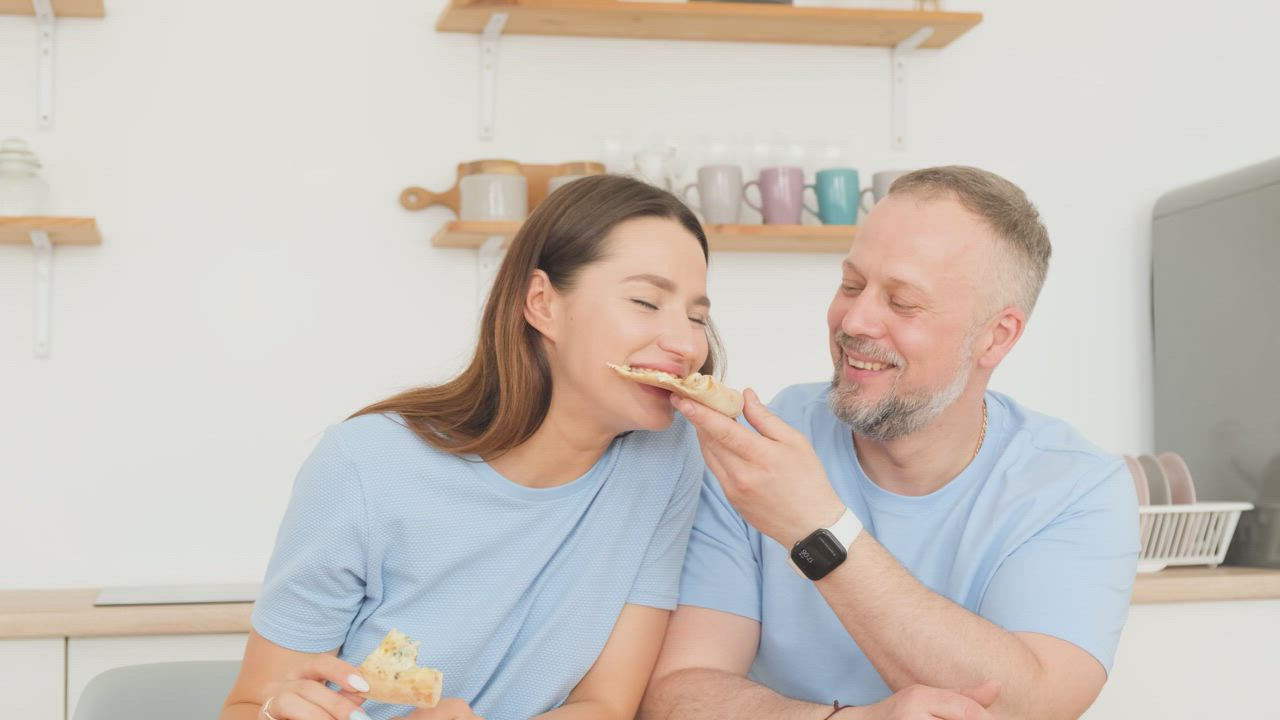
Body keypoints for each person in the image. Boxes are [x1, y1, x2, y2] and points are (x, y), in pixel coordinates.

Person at [641, 166, 1140, 720]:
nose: (855, 320)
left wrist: (817, 527)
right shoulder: (760, 444)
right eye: (851, 285)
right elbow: (678, 693)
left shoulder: (1074, 489)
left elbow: (1029, 707)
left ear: (996, 337)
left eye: (902, 303)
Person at [221, 174, 722, 720]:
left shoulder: (665, 458)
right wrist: (275, 712)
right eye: (646, 301)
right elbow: (248, 705)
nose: (687, 344)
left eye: (697, 316)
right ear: (542, 303)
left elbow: (604, 704)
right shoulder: (365, 464)